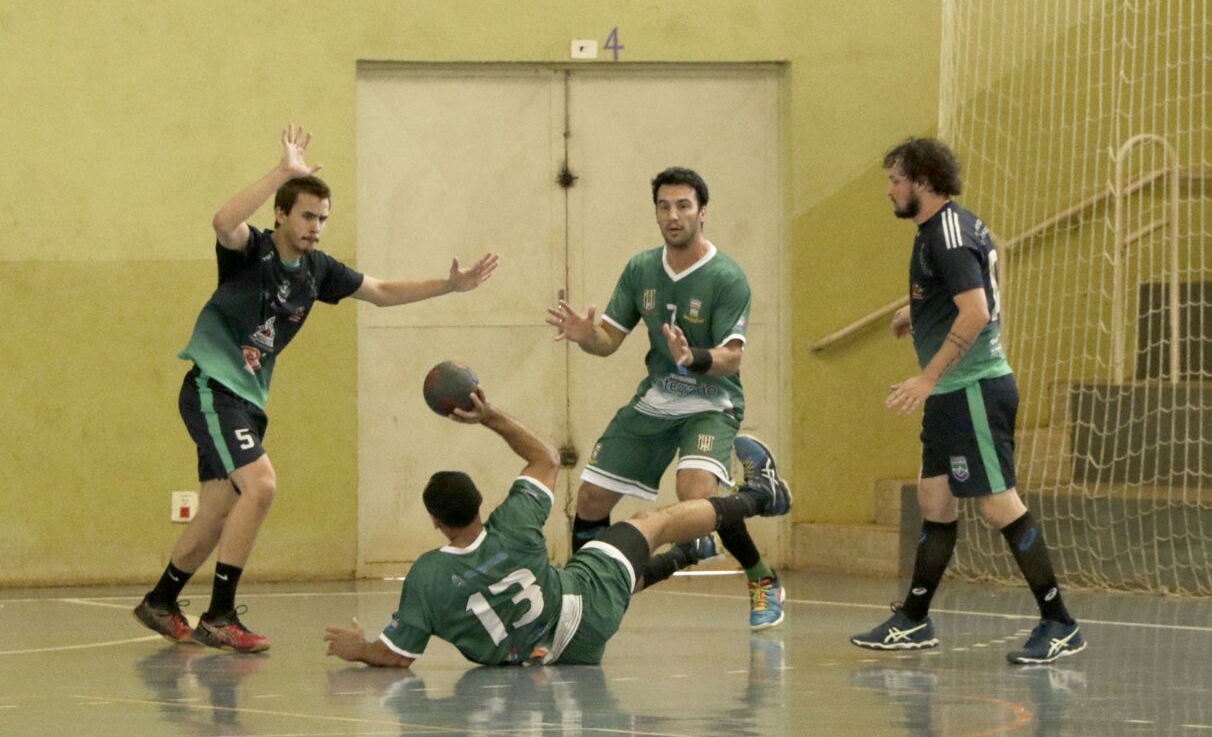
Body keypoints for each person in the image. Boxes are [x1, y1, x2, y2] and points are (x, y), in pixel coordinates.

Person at [133, 125, 500, 653]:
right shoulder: (250, 251)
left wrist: (450, 285)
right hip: (213, 388)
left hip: (248, 401)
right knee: (261, 486)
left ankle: (161, 601)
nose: (316, 227)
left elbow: (381, 291)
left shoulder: (317, 271)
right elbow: (223, 221)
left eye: (323, 219)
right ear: (282, 214)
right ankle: (219, 615)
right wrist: (282, 172)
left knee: (217, 507)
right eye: (307, 216)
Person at [323, 388, 791, 667]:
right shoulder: (515, 524)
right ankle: (761, 495)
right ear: (481, 501)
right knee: (653, 523)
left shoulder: (426, 578)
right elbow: (546, 458)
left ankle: (691, 552)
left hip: (564, 656)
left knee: (601, 567)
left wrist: (359, 649)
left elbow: (396, 656)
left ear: (435, 521)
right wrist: (489, 416)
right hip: (585, 610)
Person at [849, 137, 1086, 665]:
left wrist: (926, 378)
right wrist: (915, 312)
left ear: (923, 182)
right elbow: (964, 293)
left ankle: (1060, 623)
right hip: (952, 393)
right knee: (934, 500)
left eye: (895, 180)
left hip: (973, 388)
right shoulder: (943, 228)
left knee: (999, 505)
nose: (889, 190)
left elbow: (977, 311)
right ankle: (914, 620)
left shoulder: (948, 236)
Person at [545, 167, 786, 630]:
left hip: (712, 400)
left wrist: (693, 357)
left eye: (683, 206)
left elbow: (731, 358)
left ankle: (761, 577)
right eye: (664, 206)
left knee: (695, 499)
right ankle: (587, 597)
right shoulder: (641, 269)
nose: (673, 215)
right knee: (591, 498)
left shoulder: (727, 277)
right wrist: (585, 335)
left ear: (702, 213)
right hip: (657, 398)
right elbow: (608, 340)